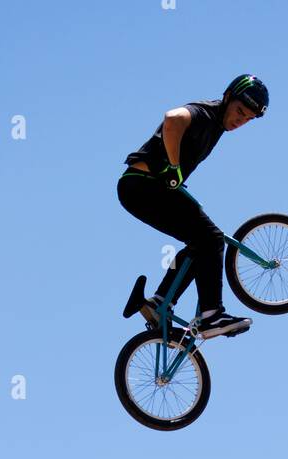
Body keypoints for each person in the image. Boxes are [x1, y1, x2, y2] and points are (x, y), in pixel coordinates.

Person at [117, 75, 269, 339]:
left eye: (247, 119)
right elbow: (173, 119)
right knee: (211, 239)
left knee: (200, 245)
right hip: (143, 186)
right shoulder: (205, 113)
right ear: (227, 97)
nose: (240, 120)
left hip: (143, 189)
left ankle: (159, 303)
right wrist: (174, 167)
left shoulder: (217, 126)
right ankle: (211, 315)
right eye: (239, 111)